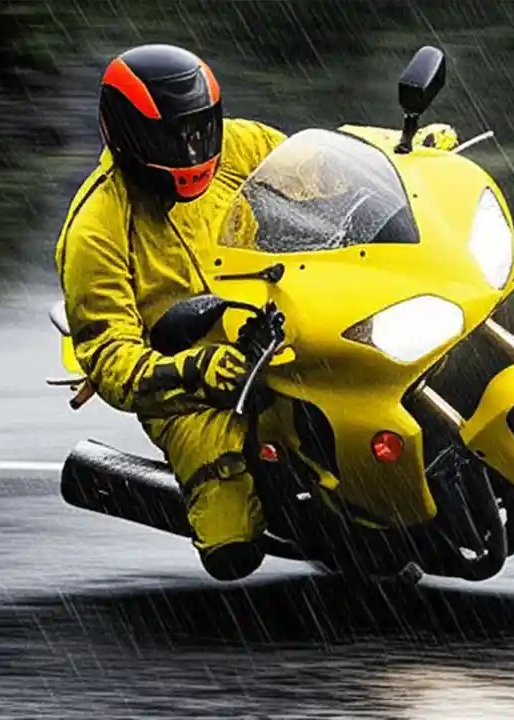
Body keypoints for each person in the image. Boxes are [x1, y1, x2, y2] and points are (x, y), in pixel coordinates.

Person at [54, 43, 458, 581]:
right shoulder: (94, 229)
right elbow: (110, 357)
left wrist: (405, 160)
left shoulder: (240, 145)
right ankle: (248, 505)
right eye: (170, 136)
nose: (191, 147)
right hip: (191, 390)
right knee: (232, 551)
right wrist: (192, 369)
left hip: (287, 324)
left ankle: (386, 498)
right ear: (125, 134)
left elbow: (323, 167)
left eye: (200, 129)